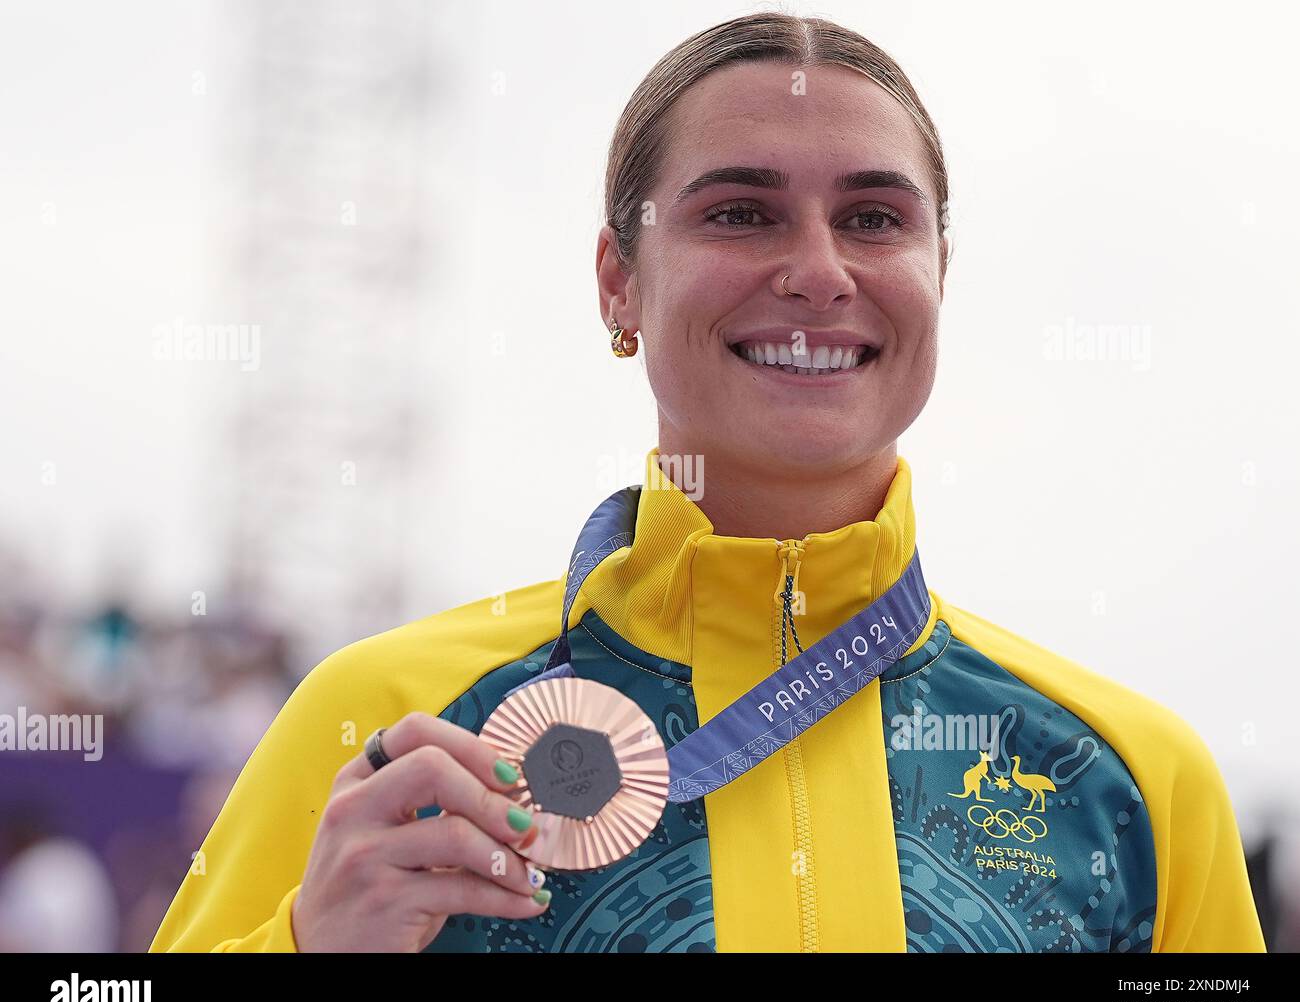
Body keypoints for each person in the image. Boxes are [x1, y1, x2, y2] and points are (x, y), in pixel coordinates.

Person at [150, 12, 1265, 953]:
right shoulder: (385, 725)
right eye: (740, 211)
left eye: (875, 218)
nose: (820, 271)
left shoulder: (1130, 779)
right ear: (617, 284)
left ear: (938, 272)